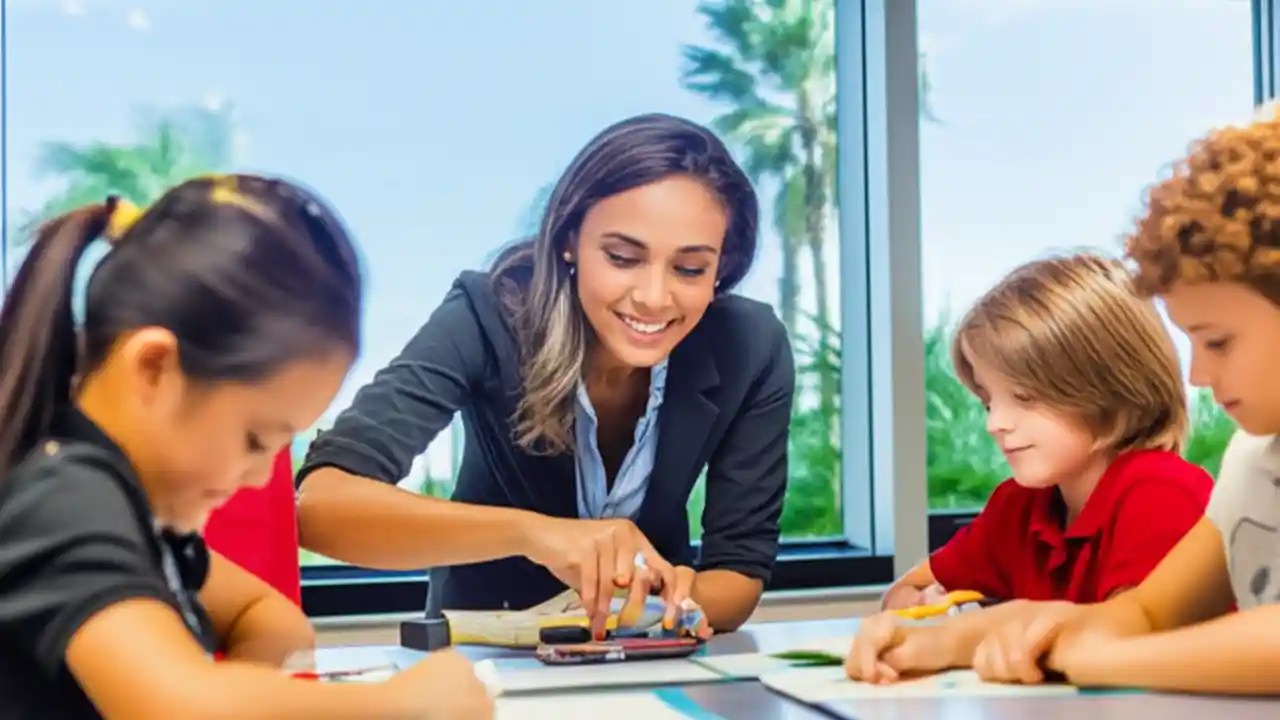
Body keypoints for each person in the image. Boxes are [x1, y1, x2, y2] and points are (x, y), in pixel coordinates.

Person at [0, 176, 492, 719]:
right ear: (154, 368)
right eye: (256, 440)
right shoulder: (63, 501)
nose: (260, 478)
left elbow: (268, 617)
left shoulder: (146, 524)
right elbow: (175, 707)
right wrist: (395, 707)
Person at [295, 113, 793, 636]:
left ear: (723, 268)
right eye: (622, 257)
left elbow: (738, 569)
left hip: (650, 658)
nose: (653, 296)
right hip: (485, 655)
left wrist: (670, 608)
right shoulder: (489, 314)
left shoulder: (749, 346)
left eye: (689, 269)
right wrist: (536, 535)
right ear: (568, 239)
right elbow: (323, 505)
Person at [930, 108, 1280, 695]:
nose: (1195, 374)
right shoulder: (1253, 463)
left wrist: (1096, 660)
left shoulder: (1164, 487)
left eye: (1219, 341)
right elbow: (1141, 613)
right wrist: (942, 641)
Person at [846, 253, 1212, 683]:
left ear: (1111, 388)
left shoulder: (1163, 492)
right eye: (988, 400)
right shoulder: (1021, 505)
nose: (994, 422)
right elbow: (904, 592)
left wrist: (960, 633)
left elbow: (1126, 637)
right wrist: (926, 614)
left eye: (1024, 397)